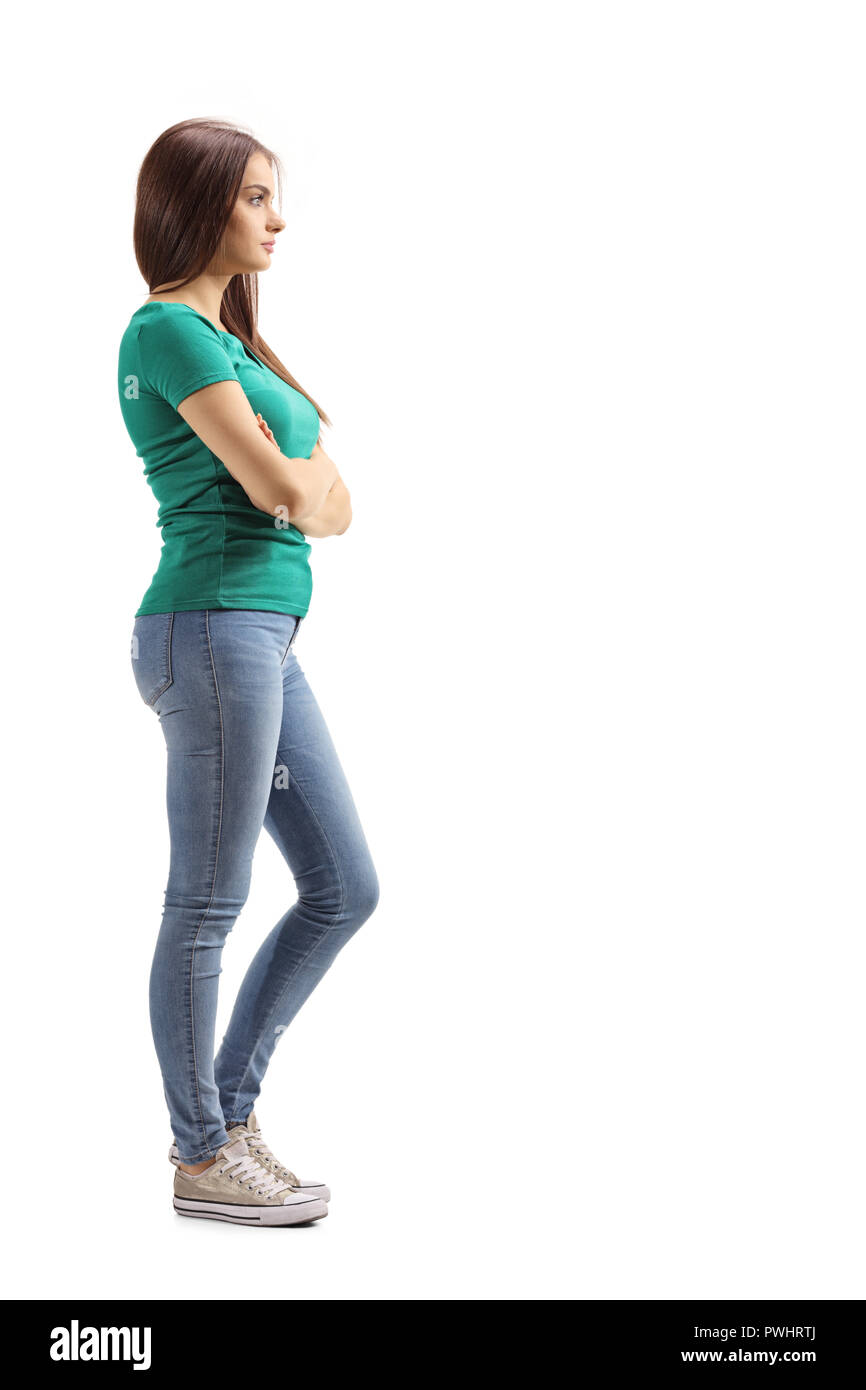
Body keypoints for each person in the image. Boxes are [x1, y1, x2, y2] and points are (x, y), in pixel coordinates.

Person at [118, 118, 380, 1227]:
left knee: (342, 886)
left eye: (275, 197)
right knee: (209, 898)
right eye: (257, 198)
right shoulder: (167, 332)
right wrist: (295, 487)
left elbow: (333, 504)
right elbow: (281, 488)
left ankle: (227, 1117)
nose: (278, 219)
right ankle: (200, 1151)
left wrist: (297, 488)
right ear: (200, 203)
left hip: (261, 636)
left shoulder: (235, 344)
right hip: (211, 627)